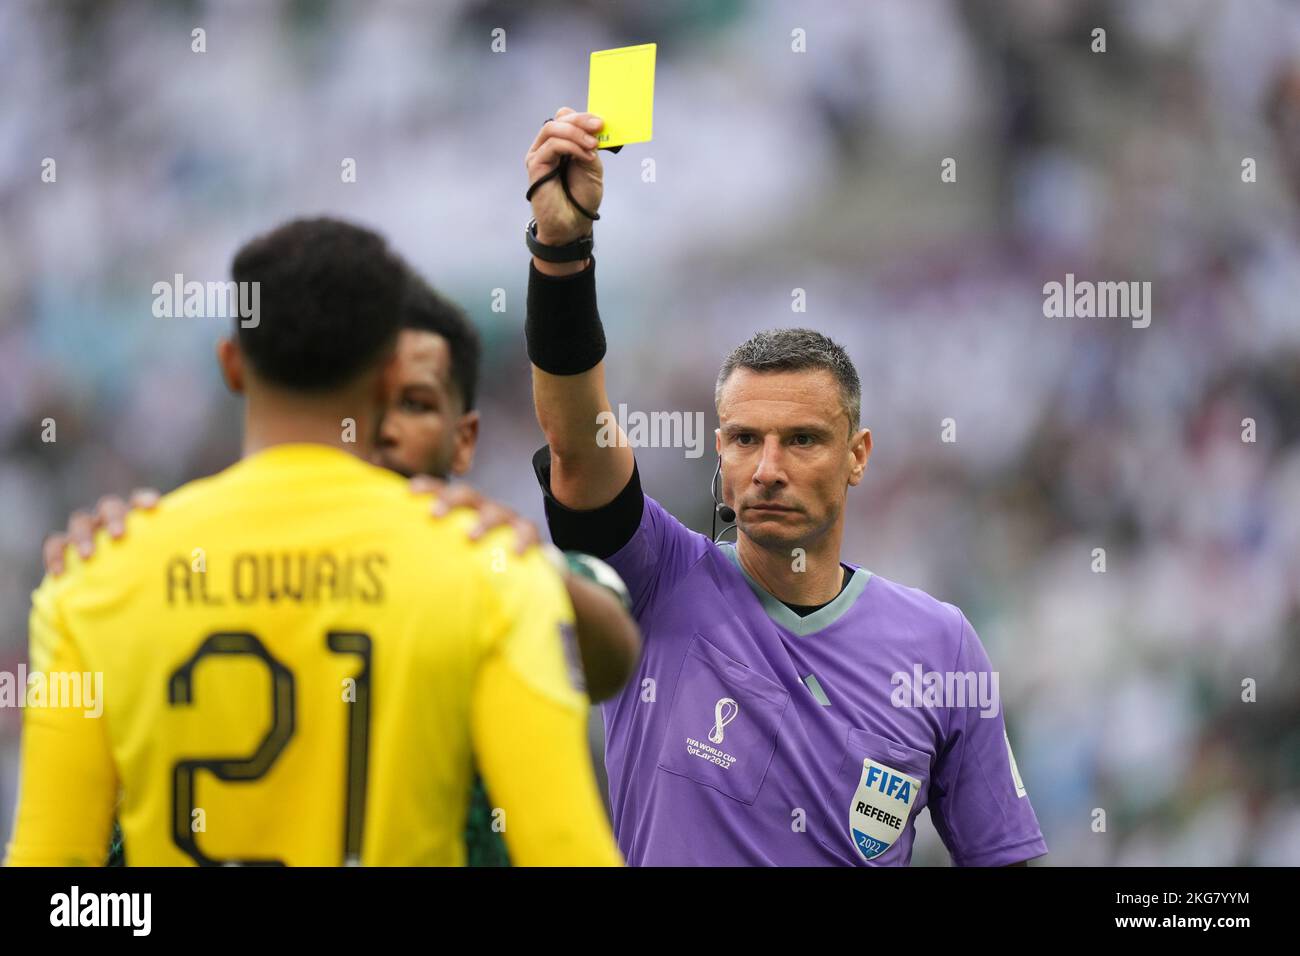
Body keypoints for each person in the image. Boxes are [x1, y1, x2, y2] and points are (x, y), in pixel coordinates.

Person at [6, 217, 622, 866]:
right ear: (385, 376)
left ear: (231, 365)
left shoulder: (96, 581)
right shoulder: (489, 575)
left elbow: (57, 885)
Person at [521, 107, 1048, 866]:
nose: (768, 467)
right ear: (720, 453)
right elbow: (576, 435)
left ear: (858, 455)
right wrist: (562, 253)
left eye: (802, 440)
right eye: (744, 440)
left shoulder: (940, 647)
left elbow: (1006, 858)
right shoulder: (655, 578)